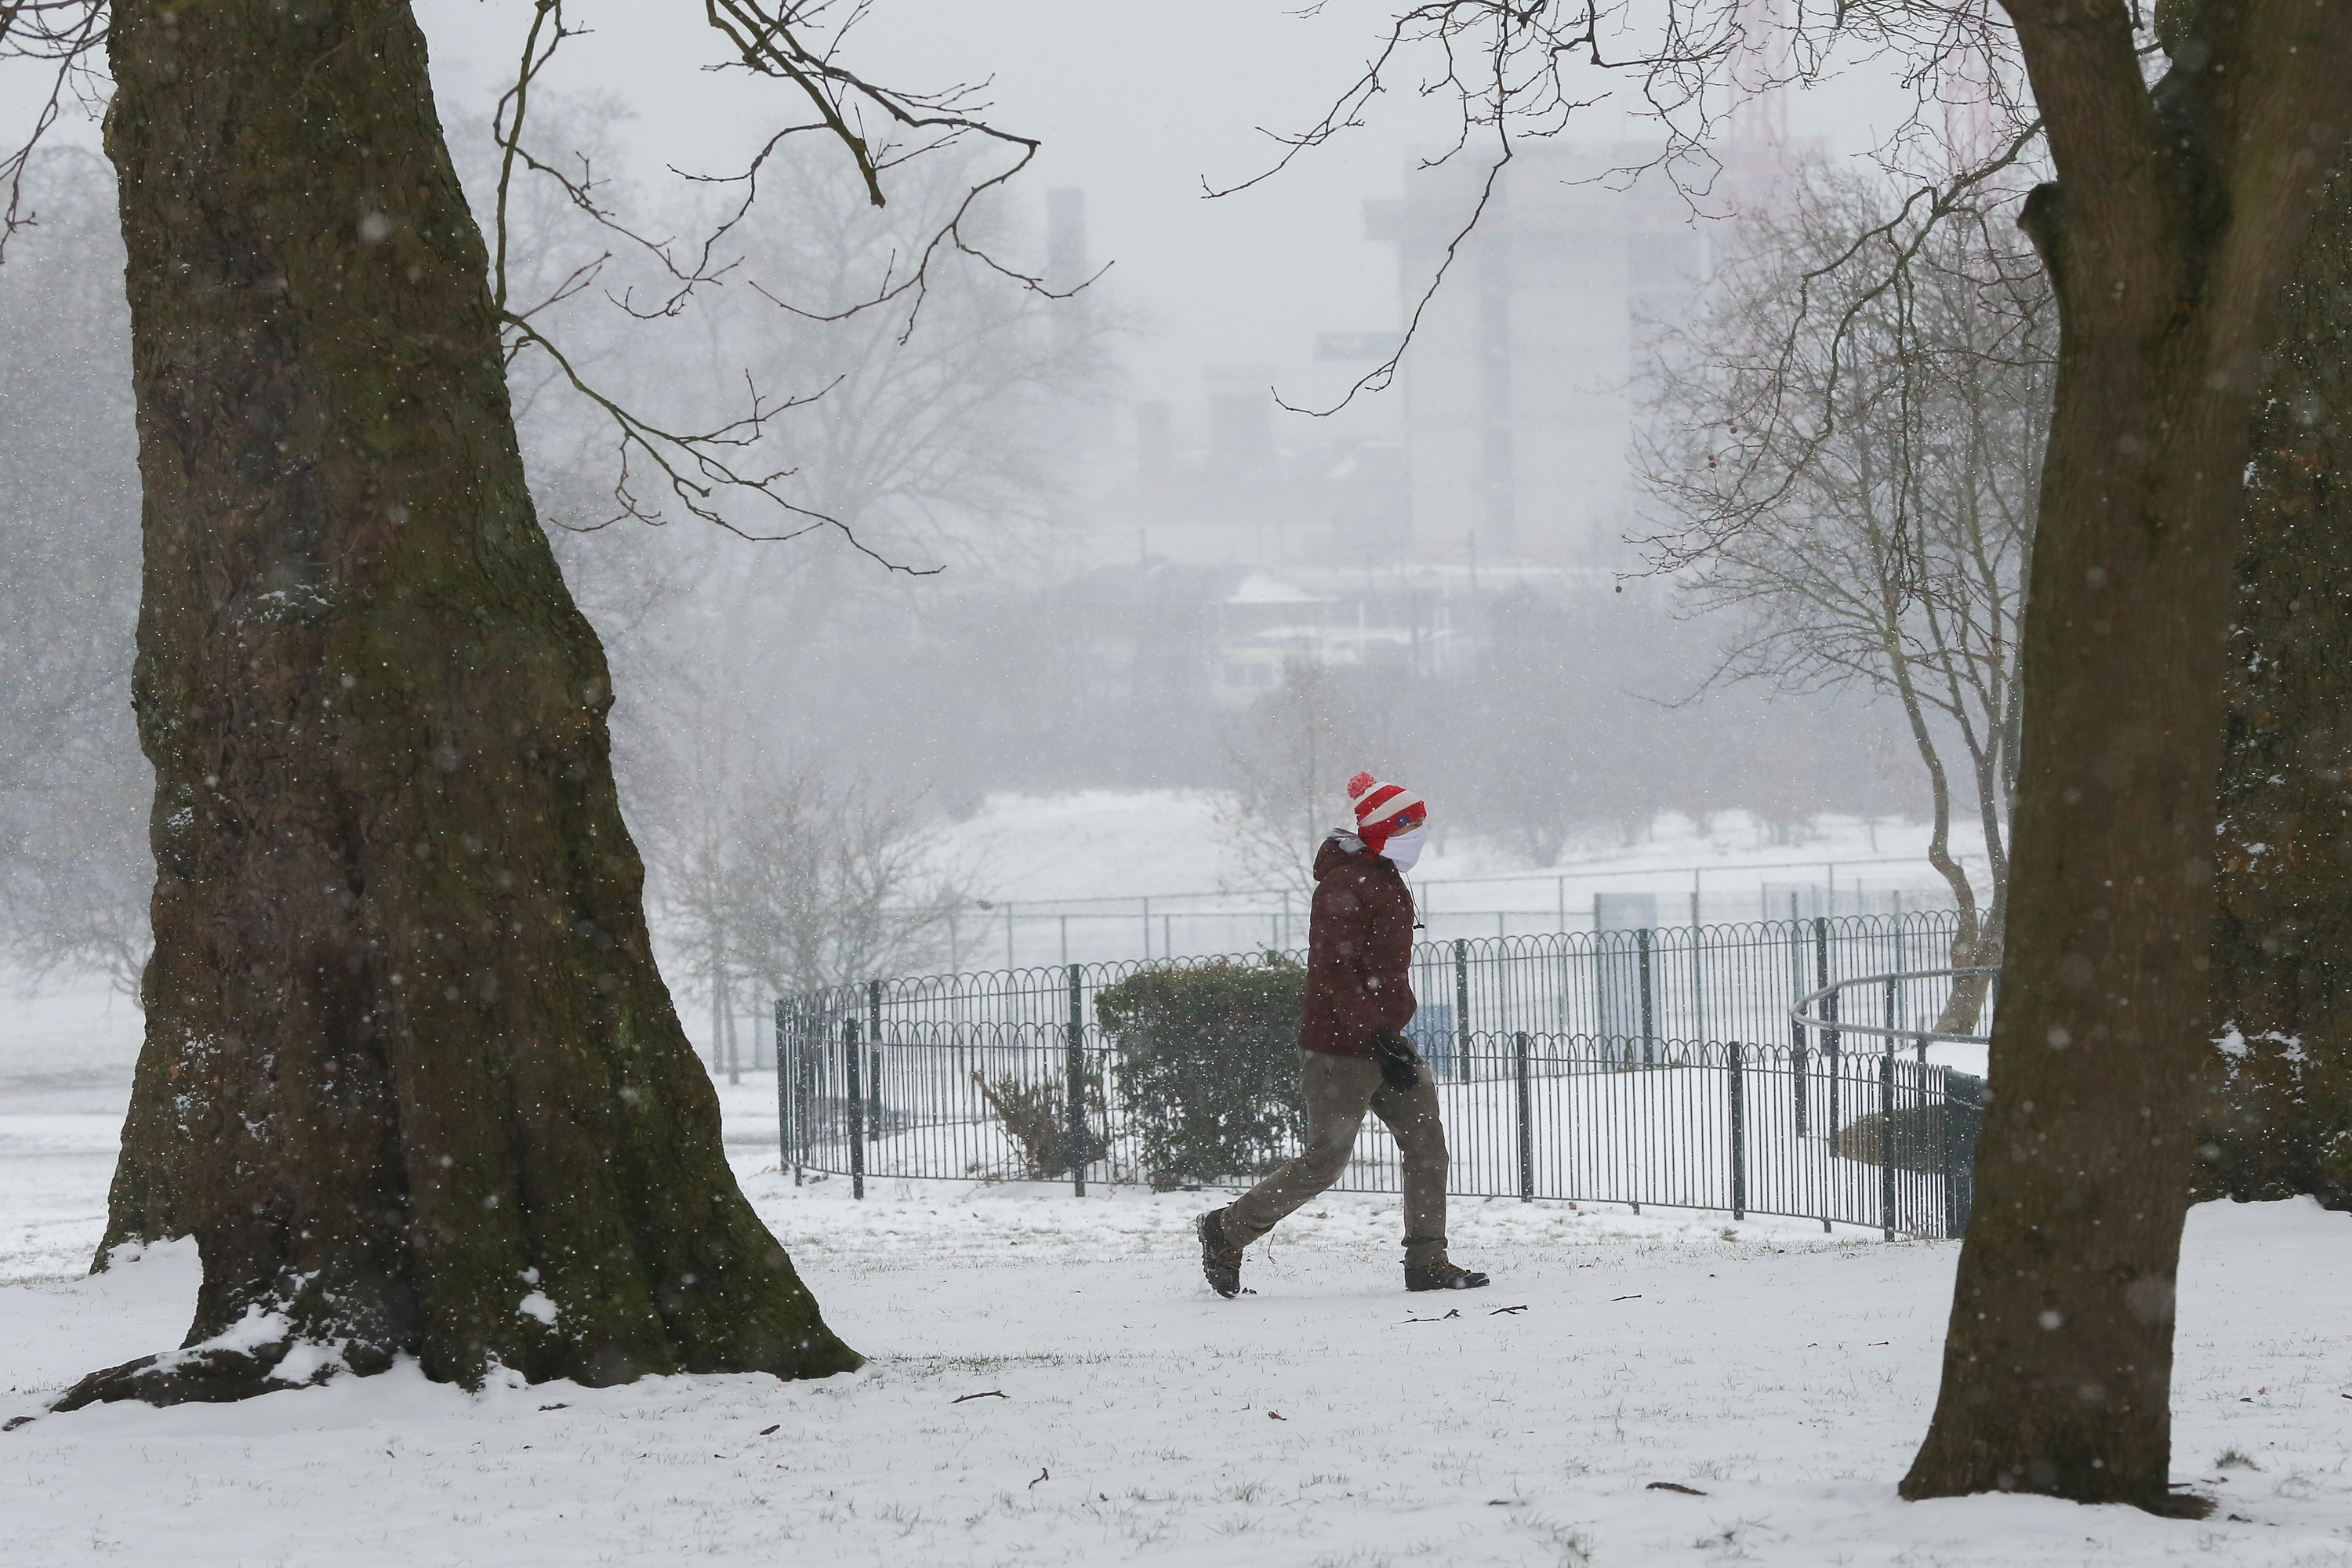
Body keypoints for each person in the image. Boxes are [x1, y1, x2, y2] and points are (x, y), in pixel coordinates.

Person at [1196, 771, 1490, 1296]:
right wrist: (1373, 1033)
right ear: (1385, 829)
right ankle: (1226, 1230)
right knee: (1325, 1161)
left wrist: (1389, 1033)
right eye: (1414, 824)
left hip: (1384, 1041)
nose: (1422, 833)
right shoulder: (1344, 885)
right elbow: (1334, 972)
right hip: (1340, 1050)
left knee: (1426, 1143)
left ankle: (1427, 1260)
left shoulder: (1384, 875)